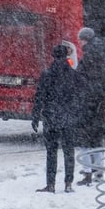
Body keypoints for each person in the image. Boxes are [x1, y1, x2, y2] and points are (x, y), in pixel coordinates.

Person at [31, 44, 86, 193]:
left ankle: (51, 184)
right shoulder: (74, 75)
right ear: (66, 56)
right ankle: (68, 183)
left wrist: (35, 116)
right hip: (68, 118)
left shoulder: (47, 75)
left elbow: (39, 97)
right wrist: (77, 114)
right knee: (69, 151)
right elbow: (80, 97)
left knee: (51, 152)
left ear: (53, 56)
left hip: (51, 117)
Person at [75, 27, 105, 187]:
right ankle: (99, 170)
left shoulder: (89, 55)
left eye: (80, 40)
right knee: (96, 138)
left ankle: (88, 173)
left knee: (84, 139)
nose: (80, 43)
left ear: (85, 39)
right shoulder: (100, 53)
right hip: (99, 101)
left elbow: (80, 76)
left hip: (88, 101)